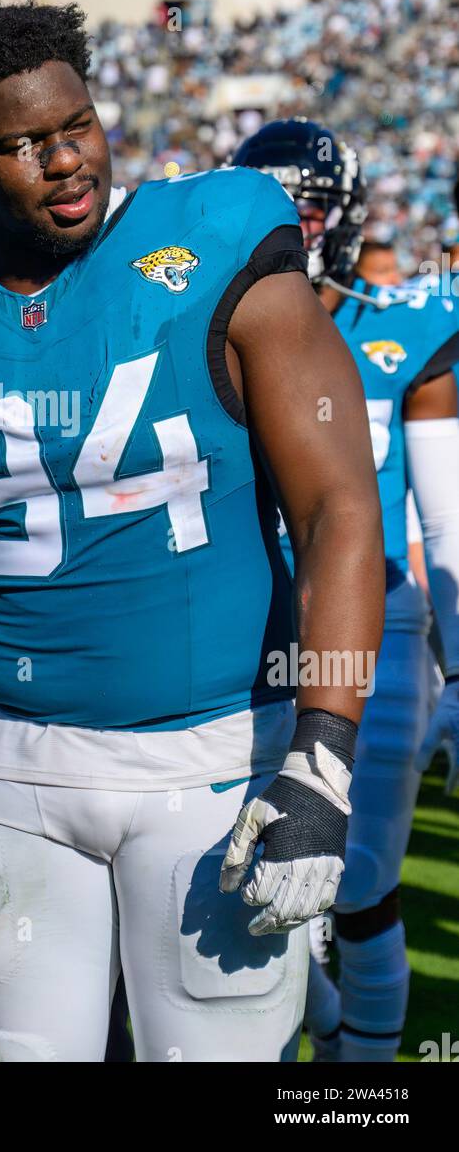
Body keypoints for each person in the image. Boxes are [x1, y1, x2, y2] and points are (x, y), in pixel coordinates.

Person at [0, 0, 383, 1063]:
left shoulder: (214, 240)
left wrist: (321, 756)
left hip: (214, 748)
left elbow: (335, 509)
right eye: (22, 144)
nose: (65, 159)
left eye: (74, 124)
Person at [232, 117, 459, 1061]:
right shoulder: (209, 324)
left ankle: (358, 1090)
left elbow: (447, 517)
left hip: (381, 620)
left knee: (356, 873)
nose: (292, 224)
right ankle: (319, 1028)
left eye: (308, 205)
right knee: (243, 878)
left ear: (348, 214)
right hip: (248, 622)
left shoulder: (407, 327)